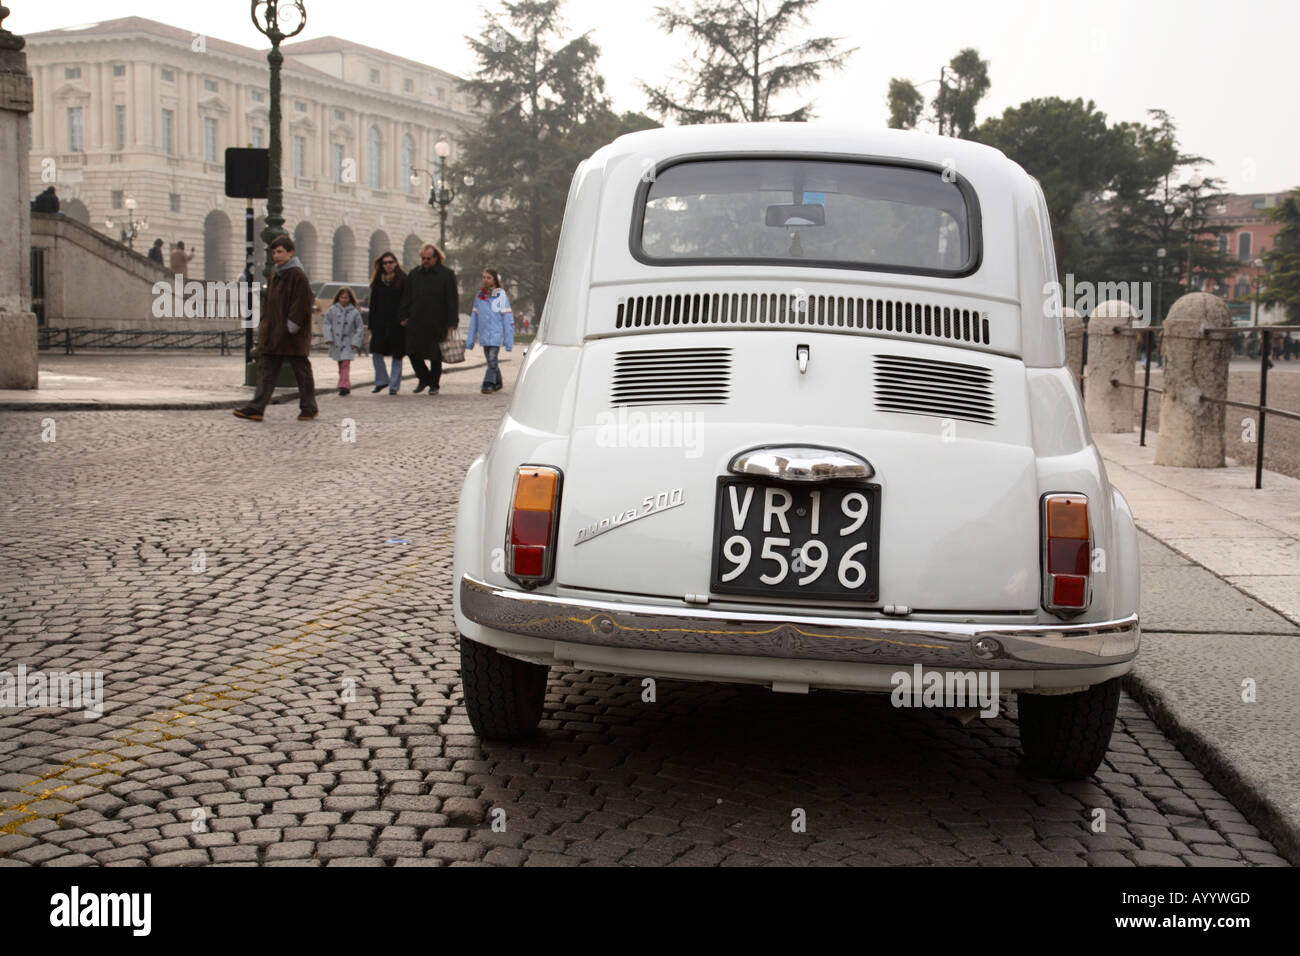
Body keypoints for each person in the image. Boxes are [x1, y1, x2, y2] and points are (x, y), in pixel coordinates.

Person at [233, 234, 317, 422]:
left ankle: (309, 407)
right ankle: (256, 408)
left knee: (301, 371)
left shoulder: (297, 275)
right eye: (274, 252)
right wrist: (266, 324)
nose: (276, 256)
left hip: (291, 334)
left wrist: (291, 326)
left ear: (290, 252)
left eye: (280, 252)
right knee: (266, 370)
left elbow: (301, 304)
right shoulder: (276, 273)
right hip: (274, 332)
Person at [397, 243, 458, 395]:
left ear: (436, 258)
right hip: (416, 320)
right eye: (423, 258)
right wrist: (403, 315)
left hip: (437, 321)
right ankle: (424, 378)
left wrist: (452, 322)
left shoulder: (447, 274)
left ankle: (434, 384)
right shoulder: (414, 274)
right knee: (411, 351)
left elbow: (452, 299)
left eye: (428, 258)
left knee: (435, 355)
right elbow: (407, 296)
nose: (425, 261)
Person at [466, 268, 513, 394]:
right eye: (484, 277)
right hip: (484, 335)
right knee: (491, 361)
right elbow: (474, 319)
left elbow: (508, 319)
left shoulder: (501, 296)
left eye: (488, 278)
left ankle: (488, 384)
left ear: (495, 280)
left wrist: (508, 340)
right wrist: (470, 340)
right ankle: (498, 382)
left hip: (496, 335)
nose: (485, 280)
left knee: (492, 359)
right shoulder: (479, 297)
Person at [367, 252, 406, 394]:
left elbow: (407, 301)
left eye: (390, 262)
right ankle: (382, 380)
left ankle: (394, 386)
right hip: (380, 323)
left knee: (397, 354)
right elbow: (373, 305)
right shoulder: (378, 281)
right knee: (376, 351)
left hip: (397, 323)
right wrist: (371, 324)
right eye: (385, 263)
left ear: (395, 263)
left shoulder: (403, 280)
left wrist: (405, 318)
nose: (388, 265)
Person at [323, 287, 364, 396]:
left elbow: (359, 328)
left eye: (346, 298)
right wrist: (329, 338)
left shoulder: (355, 312)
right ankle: (346, 383)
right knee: (341, 364)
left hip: (348, 342)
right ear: (338, 297)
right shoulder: (332, 310)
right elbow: (327, 324)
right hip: (336, 342)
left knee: (346, 363)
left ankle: (343, 385)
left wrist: (355, 341)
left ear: (350, 299)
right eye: (342, 297)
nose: (344, 300)